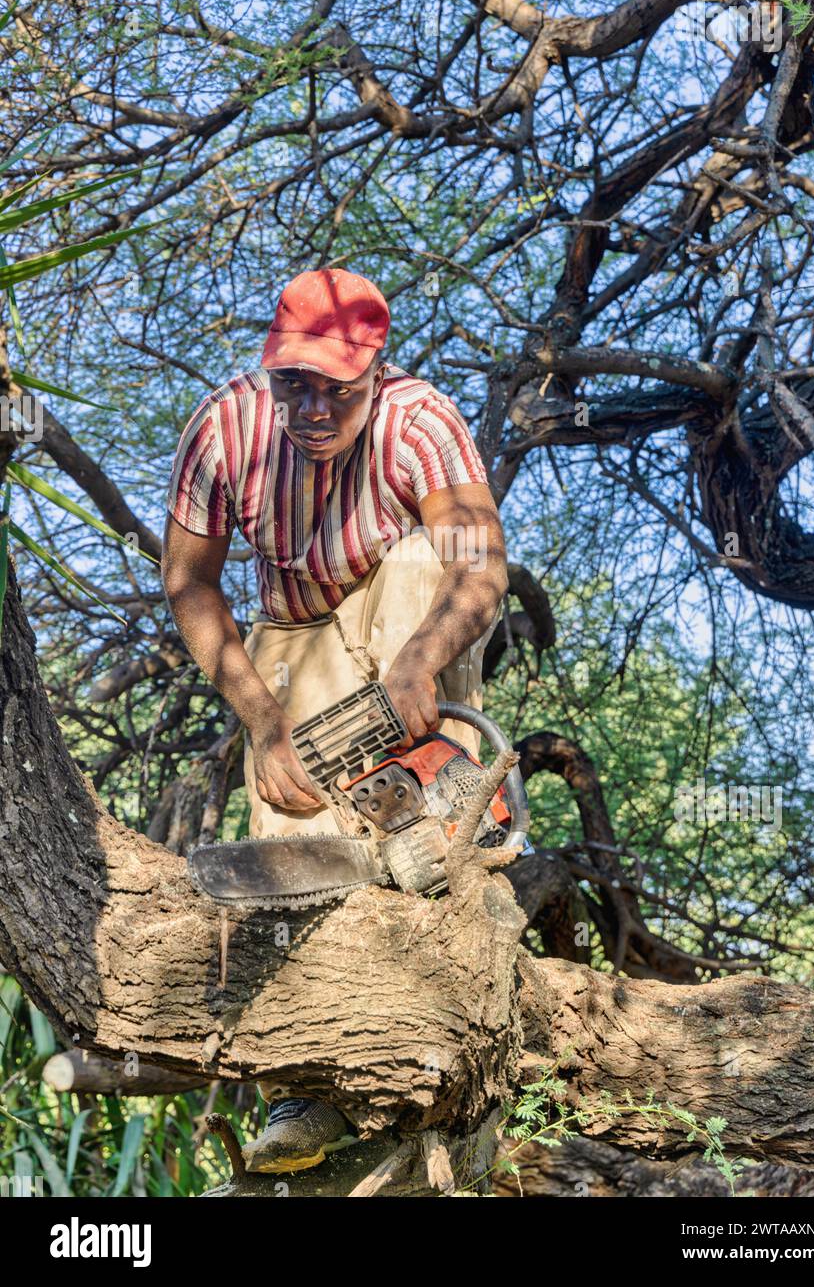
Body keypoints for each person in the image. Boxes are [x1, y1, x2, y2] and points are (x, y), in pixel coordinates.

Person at [162, 266, 508, 1172]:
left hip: (405, 623)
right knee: (289, 815)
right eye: (293, 385)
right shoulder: (223, 429)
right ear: (269, 370)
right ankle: (303, 1082)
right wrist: (260, 717)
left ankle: (441, 833)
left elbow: (482, 572)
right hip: (297, 629)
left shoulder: (421, 423)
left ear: (374, 371)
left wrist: (417, 664)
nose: (313, 408)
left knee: (419, 567)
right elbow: (190, 582)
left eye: (336, 390)